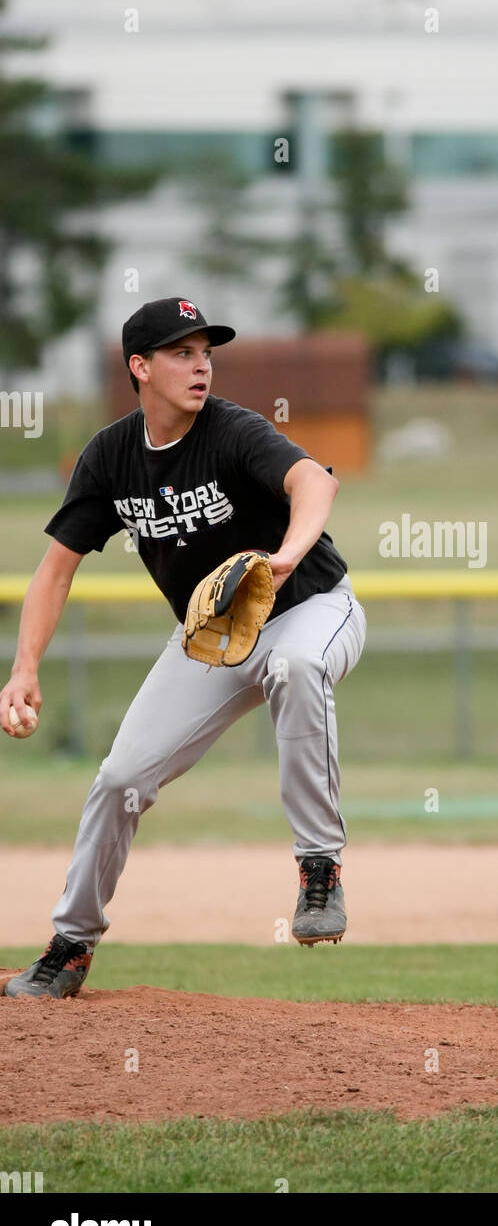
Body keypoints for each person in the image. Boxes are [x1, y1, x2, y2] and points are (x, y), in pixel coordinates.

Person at [1, 297, 366, 999]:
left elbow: (315, 480)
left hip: (313, 607)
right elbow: (56, 567)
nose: (200, 365)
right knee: (118, 779)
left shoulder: (232, 431)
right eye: (180, 352)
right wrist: (24, 670)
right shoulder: (110, 458)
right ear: (139, 367)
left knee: (296, 666)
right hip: (215, 637)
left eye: (206, 353)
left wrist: (288, 554)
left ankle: (319, 870)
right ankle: (69, 947)